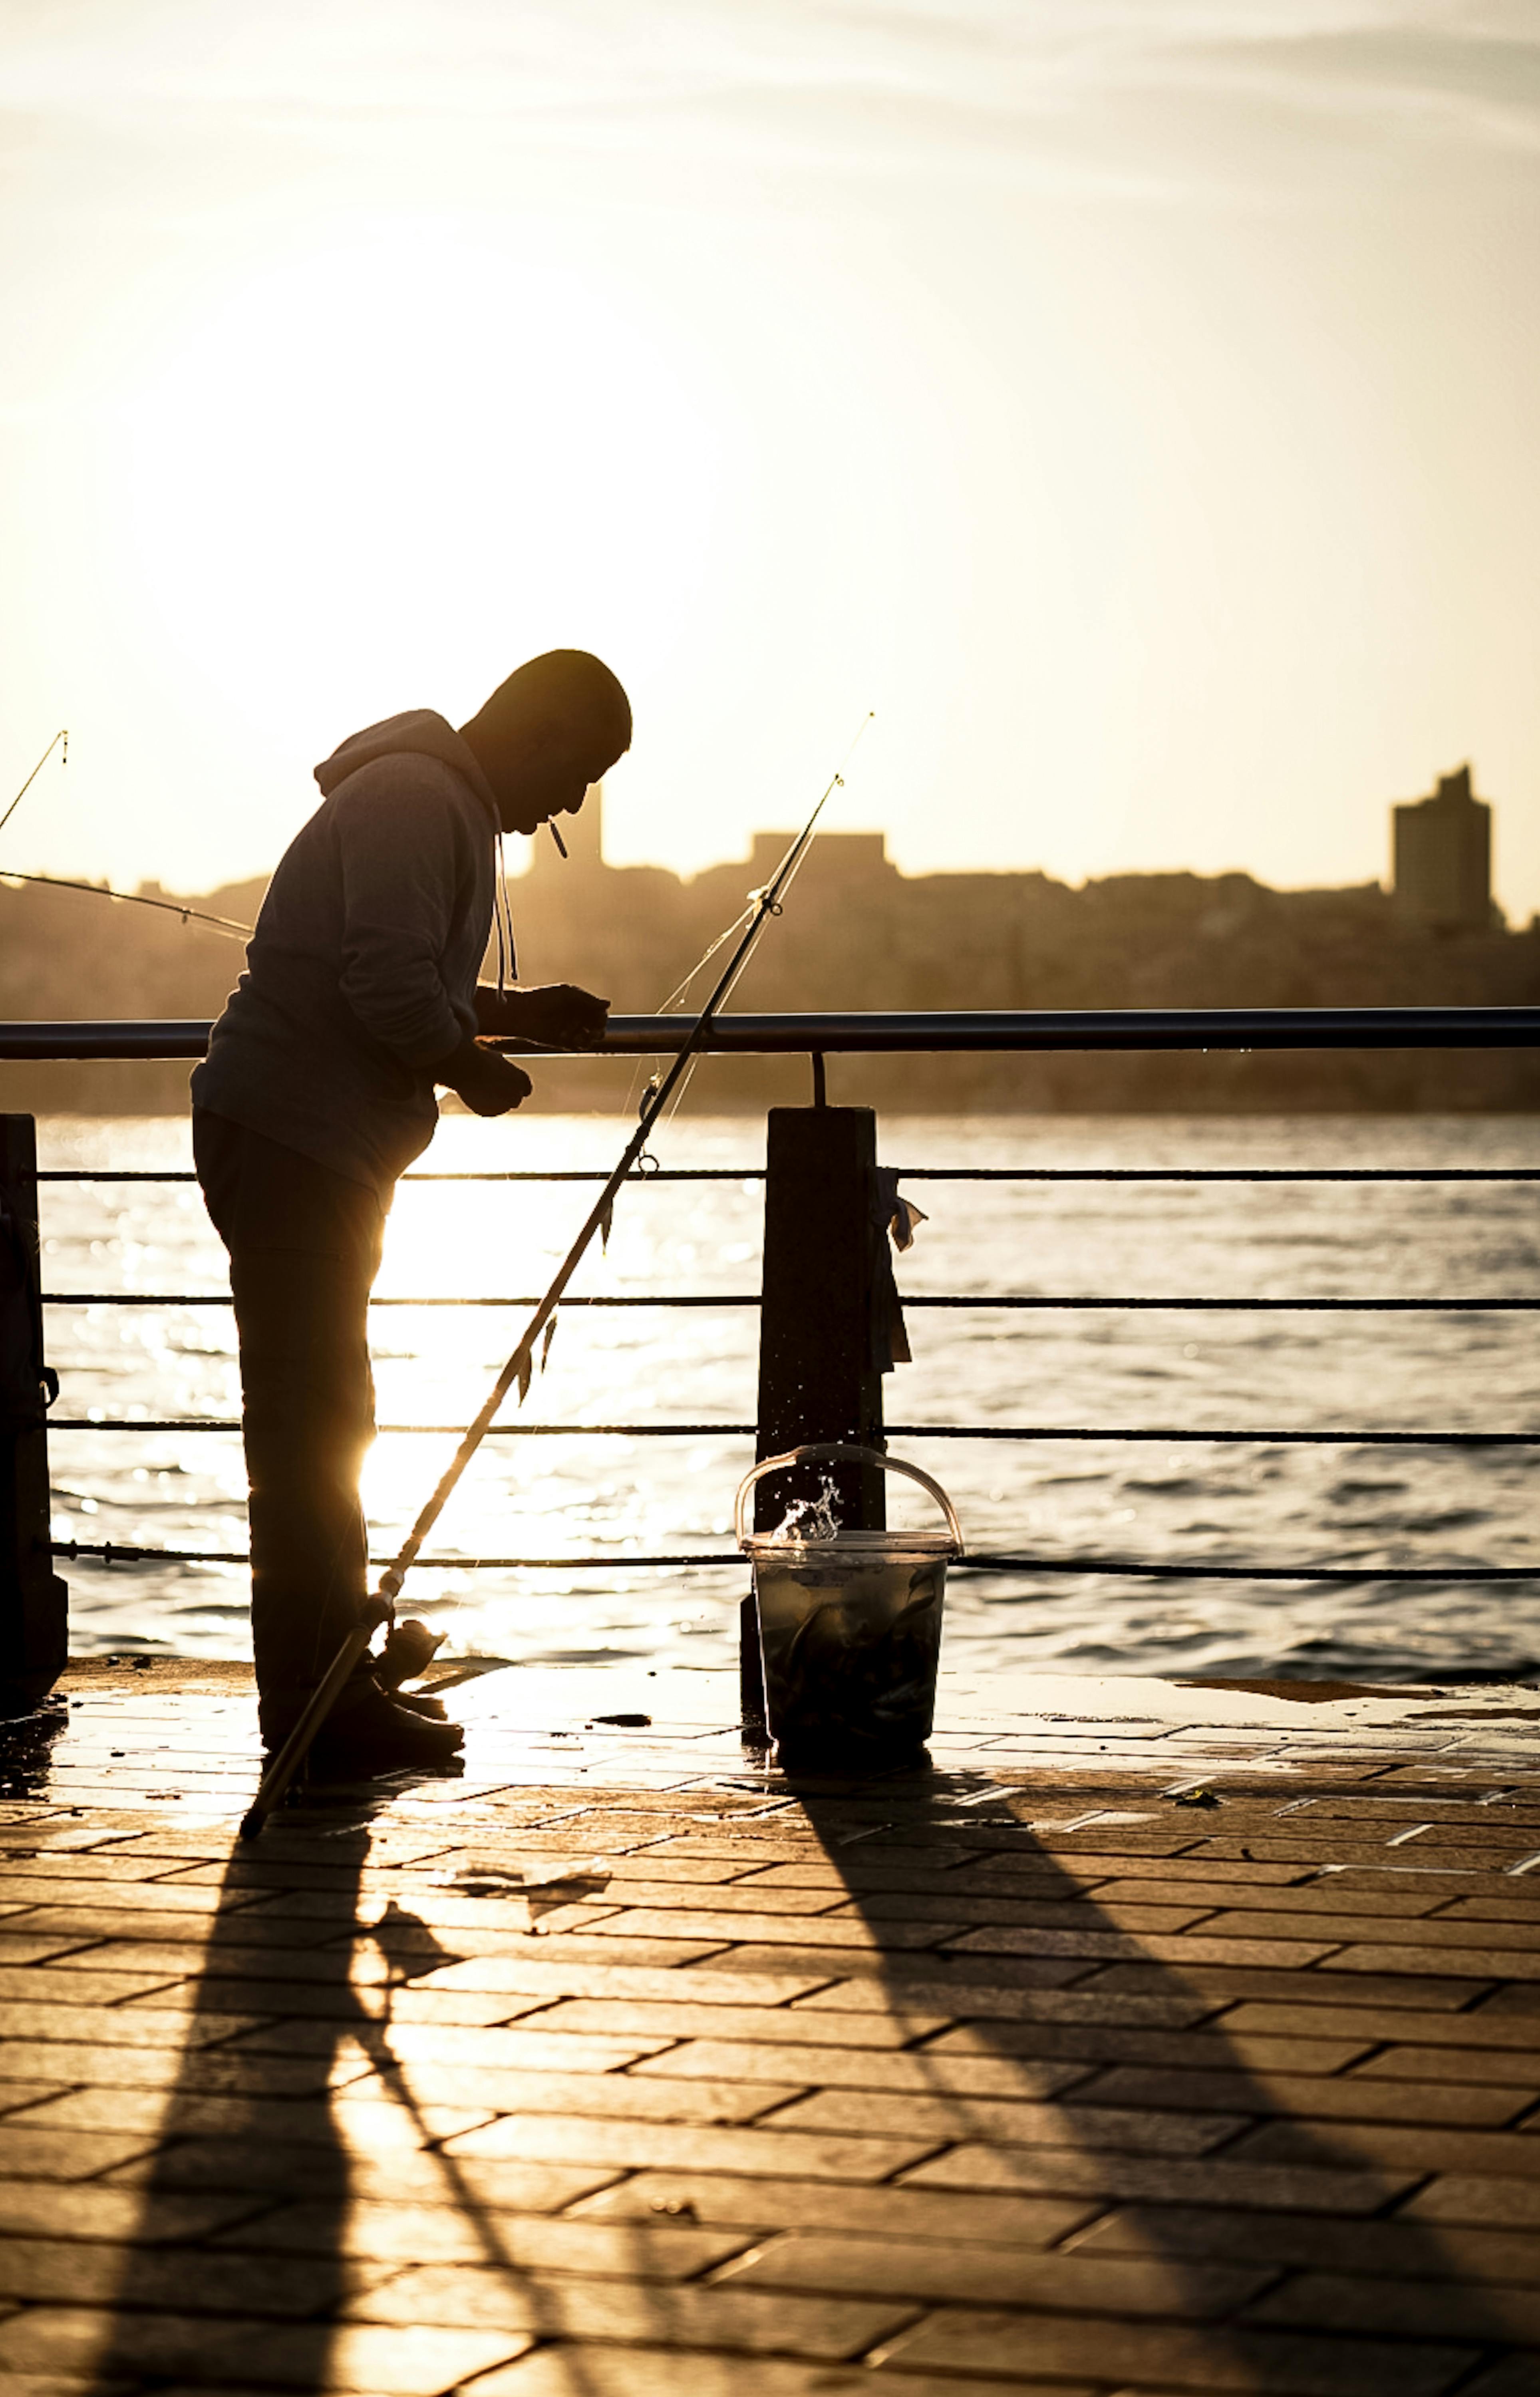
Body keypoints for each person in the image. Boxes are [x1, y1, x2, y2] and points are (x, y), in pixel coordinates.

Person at [191, 650, 628, 1774]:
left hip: (315, 1144)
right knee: (308, 1431)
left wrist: (511, 1010)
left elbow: (395, 967)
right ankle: (311, 1706)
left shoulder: (438, 803)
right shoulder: (413, 797)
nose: (570, 805)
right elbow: (386, 984)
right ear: (533, 733)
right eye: (578, 772)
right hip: (294, 1140)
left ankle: (334, 1667)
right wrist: (469, 1069)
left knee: (330, 1417)